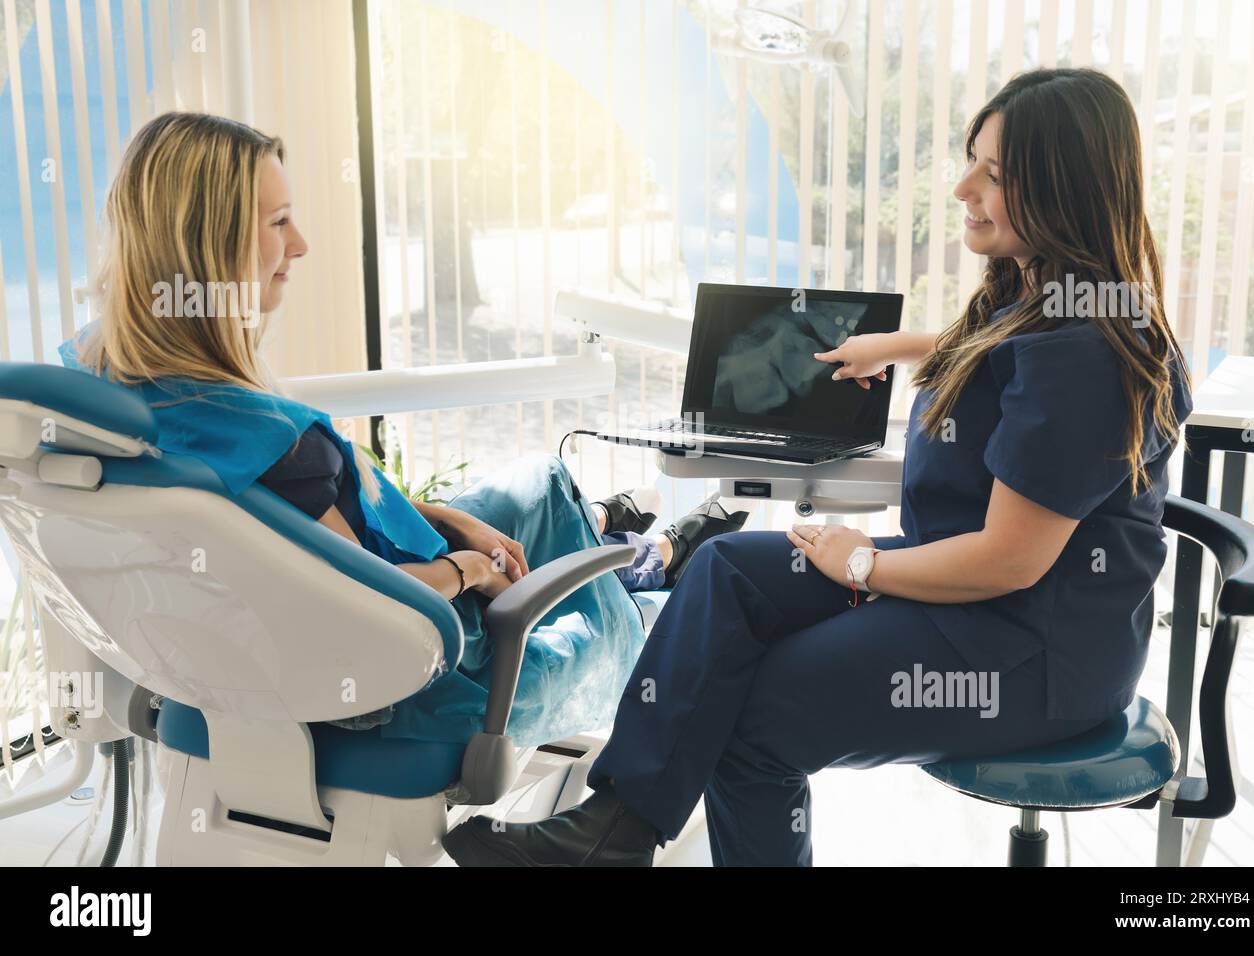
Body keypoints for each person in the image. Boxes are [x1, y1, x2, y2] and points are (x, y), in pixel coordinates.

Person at [442, 67, 1194, 867]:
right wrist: (898, 347)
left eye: (995, 174)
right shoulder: (1060, 297)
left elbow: (1010, 560)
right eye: (971, 158)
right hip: (977, 599)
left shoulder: (1083, 356)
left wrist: (863, 562)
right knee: (726, 566)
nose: (961, 186)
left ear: (1063, 190)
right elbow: (1010, 351)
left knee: (756, 718)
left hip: (1029, 651)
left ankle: (615, 838)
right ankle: (617, 826)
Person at [59, 110, 748, 746]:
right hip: (421, 671)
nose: (299, 245)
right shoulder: (267, 439)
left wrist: (446, 517)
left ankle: (624, 548)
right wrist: (467, 567)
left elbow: (294, 528)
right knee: (623, 623)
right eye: (277, 223)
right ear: (209, 246)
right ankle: (643, 577)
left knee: (537, 485)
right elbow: (362, 604)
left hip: (352, 611)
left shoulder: (111, 383)